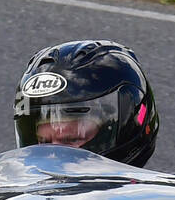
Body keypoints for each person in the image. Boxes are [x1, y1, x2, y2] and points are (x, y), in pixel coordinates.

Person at [13, 40, 159, 167]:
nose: (53, 157)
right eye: (44, 142)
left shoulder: (165, 199)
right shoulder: (21, 197)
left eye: (71, 139)